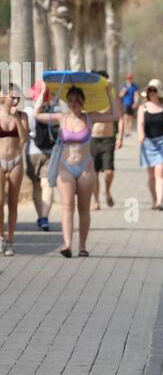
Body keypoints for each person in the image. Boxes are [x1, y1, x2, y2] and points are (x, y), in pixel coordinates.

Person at [33, 83, 116, 257]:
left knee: (83, 208)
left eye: (77, 101)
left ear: (83, 102)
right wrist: (43, 93)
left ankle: (83, 246)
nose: (73, 104)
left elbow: (114, 115)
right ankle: (68, 245)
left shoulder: (89, 118)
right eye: (70, 100)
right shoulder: (61, 117)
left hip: (86, 166)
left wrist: (109, 92)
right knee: (67, 206)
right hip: (65, 167)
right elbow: (37, 114)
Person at [137, 79, 163, 210]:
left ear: (159, 92)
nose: (152, 93)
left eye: (154, 90)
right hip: (148, 143)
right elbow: (140, 124)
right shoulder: (142, 108)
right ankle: (154, 199)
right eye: (149, 90)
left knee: (159, 174)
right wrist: (140, 135)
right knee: (151, 175)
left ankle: (160, 202)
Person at [23, 81, 57, 232]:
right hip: (50, 153)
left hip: (32, 152)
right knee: (47, 185)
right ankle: (44, 217)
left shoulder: (28, 112)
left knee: (37, 186)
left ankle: (41, 217)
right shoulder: (55, 110)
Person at [0, 88, 28, 255]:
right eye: (12, 97)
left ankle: (10, 240)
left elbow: (24, 138)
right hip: (0, 159)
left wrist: (16, 118)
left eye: (17, 97)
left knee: (13, 202)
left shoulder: (21, 115)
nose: (15, 101)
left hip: (16, 160)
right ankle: (0, 237)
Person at [91, 70, 124, 210]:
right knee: (94, 172)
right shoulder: (91, 98)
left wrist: (120, 137)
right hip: (92, 139)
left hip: (108, 139)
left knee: (108, 171)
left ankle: (107, 190)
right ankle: (96, 200)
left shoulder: (112, 98)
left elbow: (120, 118)